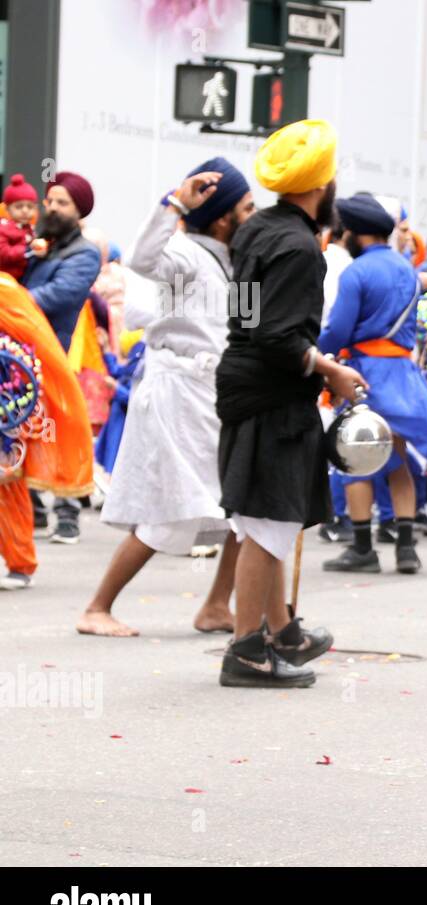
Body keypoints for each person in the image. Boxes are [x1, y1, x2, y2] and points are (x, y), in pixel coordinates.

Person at [75, 159, 257, 638]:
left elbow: (248, 329)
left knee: (244, 504)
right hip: (177, 391)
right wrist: (175, 203)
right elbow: (140, 260)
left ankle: (217, 604)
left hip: (219, 393)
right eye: (247, 206)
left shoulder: (238, 264)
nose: (254, 215)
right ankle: (97, 607)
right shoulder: (181, 255)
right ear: (222, 216)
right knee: (169, 507)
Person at [215, 119, 364, 689]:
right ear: (323, 185)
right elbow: (279, 338)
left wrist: (304, 358)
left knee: (264, 520)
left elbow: (250, 322)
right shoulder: (302, 248)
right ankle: (247, 650)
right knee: (268, 523)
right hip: (274, 398)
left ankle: (279, 633)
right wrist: (331, 369)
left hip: (244, 384)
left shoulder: (254, 230)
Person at [318, 192, 427, 574]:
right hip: (403, 375)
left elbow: (339, 330)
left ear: (355, 233)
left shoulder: (357, 273)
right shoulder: (406, 270)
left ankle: (363, 548)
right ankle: (406, 549)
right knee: (397, 460)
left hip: (366, 374)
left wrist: (313, 352)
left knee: (357, 459)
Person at [22, 170, 101, 545]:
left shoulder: (84, 253)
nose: (51, 206)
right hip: (23, 352)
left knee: (59, 433)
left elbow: (60, 295)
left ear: (79, 211)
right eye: (49, 200)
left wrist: (11, 299)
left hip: (58, 354)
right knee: (23, 431)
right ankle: (33, 508)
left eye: (61, 202)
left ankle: (67, 515)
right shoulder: (41, 244)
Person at [0, 273, 94, 589]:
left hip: (5, 401)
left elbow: (35, 345)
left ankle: (20, 563)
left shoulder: (6, 290)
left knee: (6, 482)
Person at [1, 174, 39, 281]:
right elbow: (3, 253)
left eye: (30, 206)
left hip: (20, 279)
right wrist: (27, 249)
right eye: (19, 206)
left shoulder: (29, 229)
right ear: (8, 209)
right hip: (5, 280)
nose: (25, 211)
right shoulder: (3, 229)